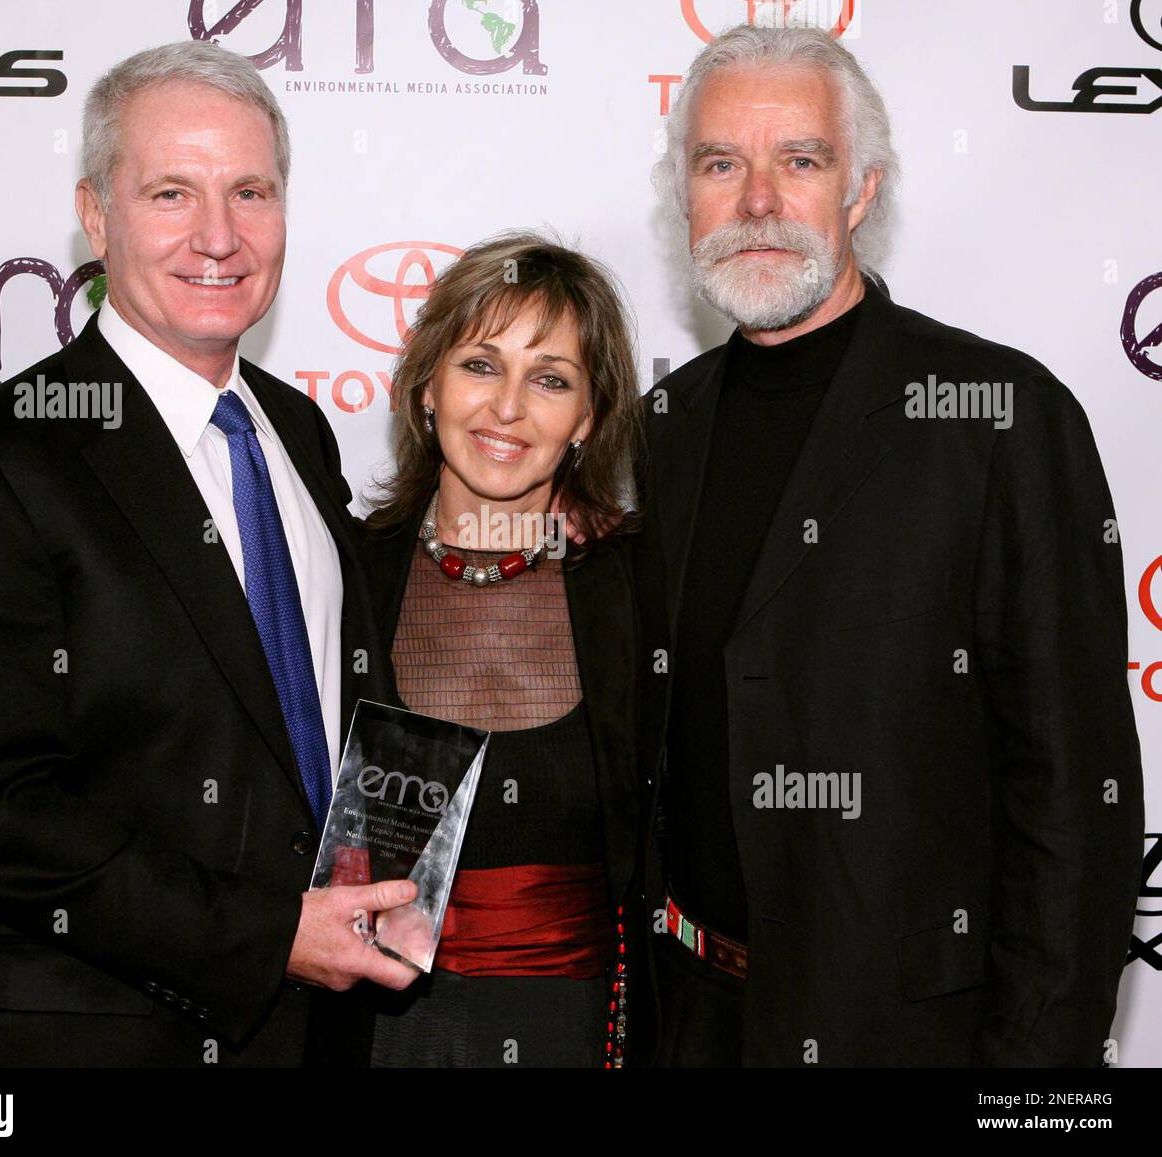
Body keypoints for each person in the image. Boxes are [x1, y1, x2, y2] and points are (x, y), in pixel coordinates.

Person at [0, 40, 418, 1067]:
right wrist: (267, 937)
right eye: (171, 192)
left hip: (315, 1027)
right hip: (92, 1035)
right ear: (96, 213)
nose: (218, 235)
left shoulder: (298, 431)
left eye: (249, 191)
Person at [636, 23, 1144, 1067]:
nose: (759, 200)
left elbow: (1074, 793)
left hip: (915, 1034)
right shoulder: (662, 427)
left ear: (861, 190)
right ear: (684, 193)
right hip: (691, 1019)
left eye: (800, 161)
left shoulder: (998, 417)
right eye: (721, 163)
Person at [359, 233, 647, 1068]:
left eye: (551, 378)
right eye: (480, 365)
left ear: (588, 418)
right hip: (376, 1037)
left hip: (587, 1034)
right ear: (425, 388)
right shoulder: (344, 578)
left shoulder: (637, 590)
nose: (507, 407)